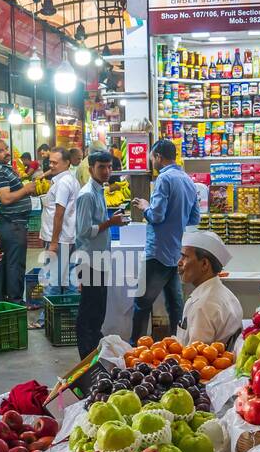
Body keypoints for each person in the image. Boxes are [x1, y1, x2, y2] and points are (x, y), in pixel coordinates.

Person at [131, 139, 200, 340]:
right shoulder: (188, 180)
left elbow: (157, 216)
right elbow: (194, 218)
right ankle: (177, 344)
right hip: (175, 251)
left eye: (152, 158)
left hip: (157, 251)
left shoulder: (164, 179)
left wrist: (145, 206)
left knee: (142, 303)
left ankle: (136, 347)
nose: (152, 162)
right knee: (175, 306)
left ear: (159, 157)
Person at [73, 150, 127, 357]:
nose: (106, 171)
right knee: (90, 310)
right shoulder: (87, 194)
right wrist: (110, 223)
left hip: (99, 259)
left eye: (109, 167)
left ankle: (93, 351)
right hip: (89, 260)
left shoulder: (99, 191)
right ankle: (86, 355)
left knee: (98, 309)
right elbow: (84, 231)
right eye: (101, 167)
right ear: (91, 169)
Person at [0, 138, 39, 303]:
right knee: (15, 264)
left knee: (9, 262)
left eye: (6, 148)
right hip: (12, 223)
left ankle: (5, 299)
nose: (6, 152)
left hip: (15, 223)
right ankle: (15, 300)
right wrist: (25, 189)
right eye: (1, 151)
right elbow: (6, 198)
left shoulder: (4, 168)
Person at [178, 229, 244, 348]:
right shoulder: (224, 293)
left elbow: (196, 357)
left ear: (204, 264)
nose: (179, 262)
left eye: (185, 257)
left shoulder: (203, 306)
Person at [40, 148, 80, 291]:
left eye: (55, 163)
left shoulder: (63, 183)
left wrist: (54, 242)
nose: (51, 165)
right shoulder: (69, 179)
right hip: (67, 237)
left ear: (67, 163)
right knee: (68, 279)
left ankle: (50, 313)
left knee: (52, 281)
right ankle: (69, 312)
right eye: (50, 162)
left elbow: (59, 213)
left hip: (59, 239)